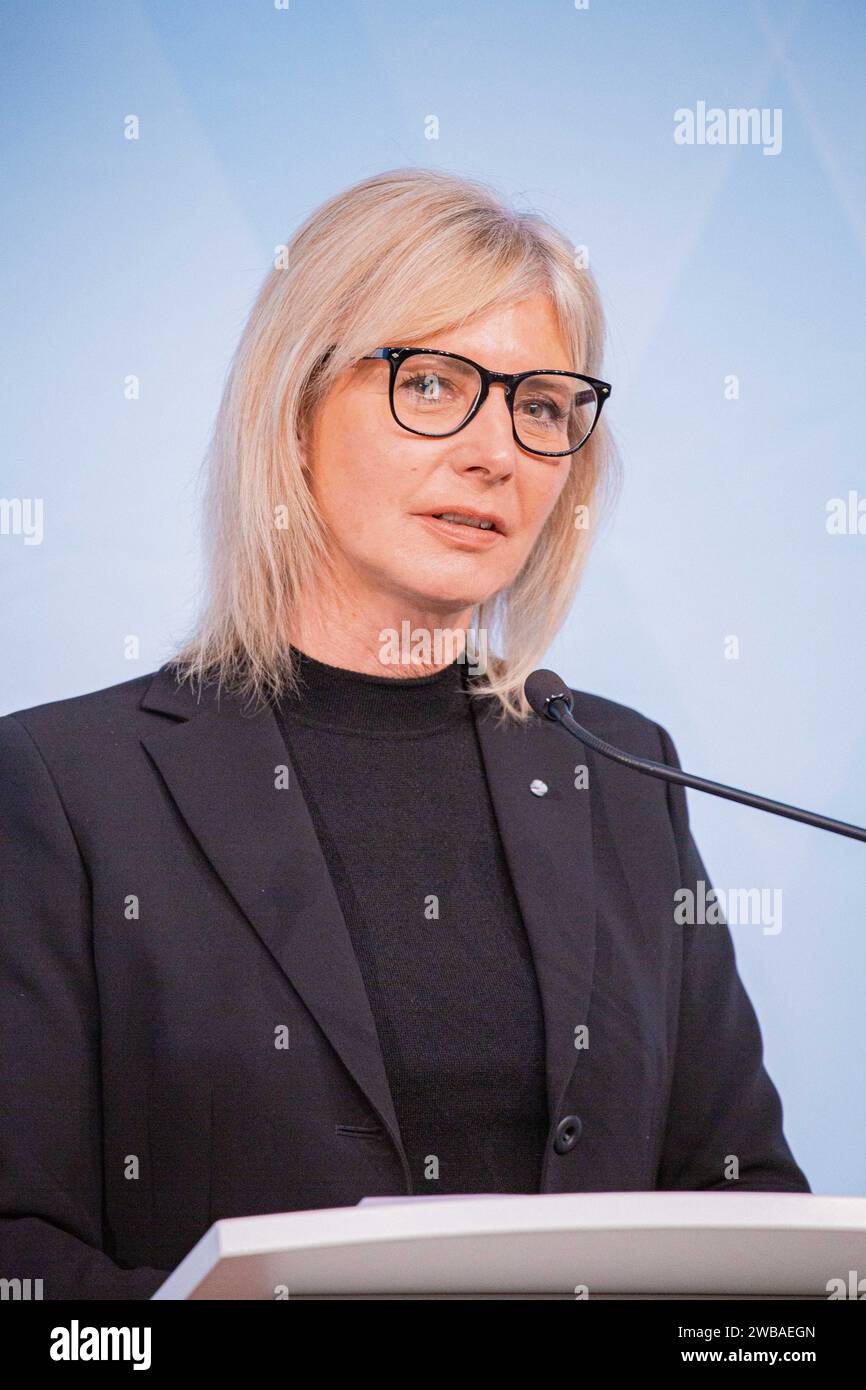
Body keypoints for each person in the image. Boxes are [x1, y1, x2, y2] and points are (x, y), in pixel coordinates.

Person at [0, 168, 809, 1301]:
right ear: (293, 412)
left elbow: (746, 1206)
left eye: (538, 405)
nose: (495, 451)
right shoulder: (66, 787)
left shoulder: (621, 773)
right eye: (431, 383)